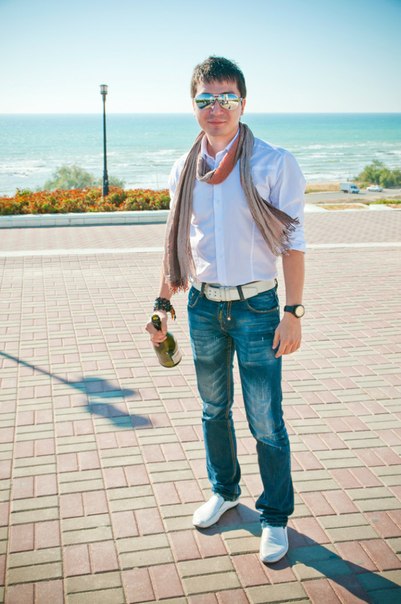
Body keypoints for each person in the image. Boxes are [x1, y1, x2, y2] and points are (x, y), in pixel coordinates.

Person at [146, 56, 305, 564]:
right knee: (213, 409)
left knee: (265, 419)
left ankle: (275, 516)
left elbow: (294, 242)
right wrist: (162, 304)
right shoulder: (183, 168)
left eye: (226, 98)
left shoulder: (274, 163)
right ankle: (226, 491)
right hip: (202, 306)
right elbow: (178, 243)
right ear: (193, 105)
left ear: (243, 103)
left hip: (258, 307)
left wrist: (293, 312)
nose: (216, 107)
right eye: (205, 99)